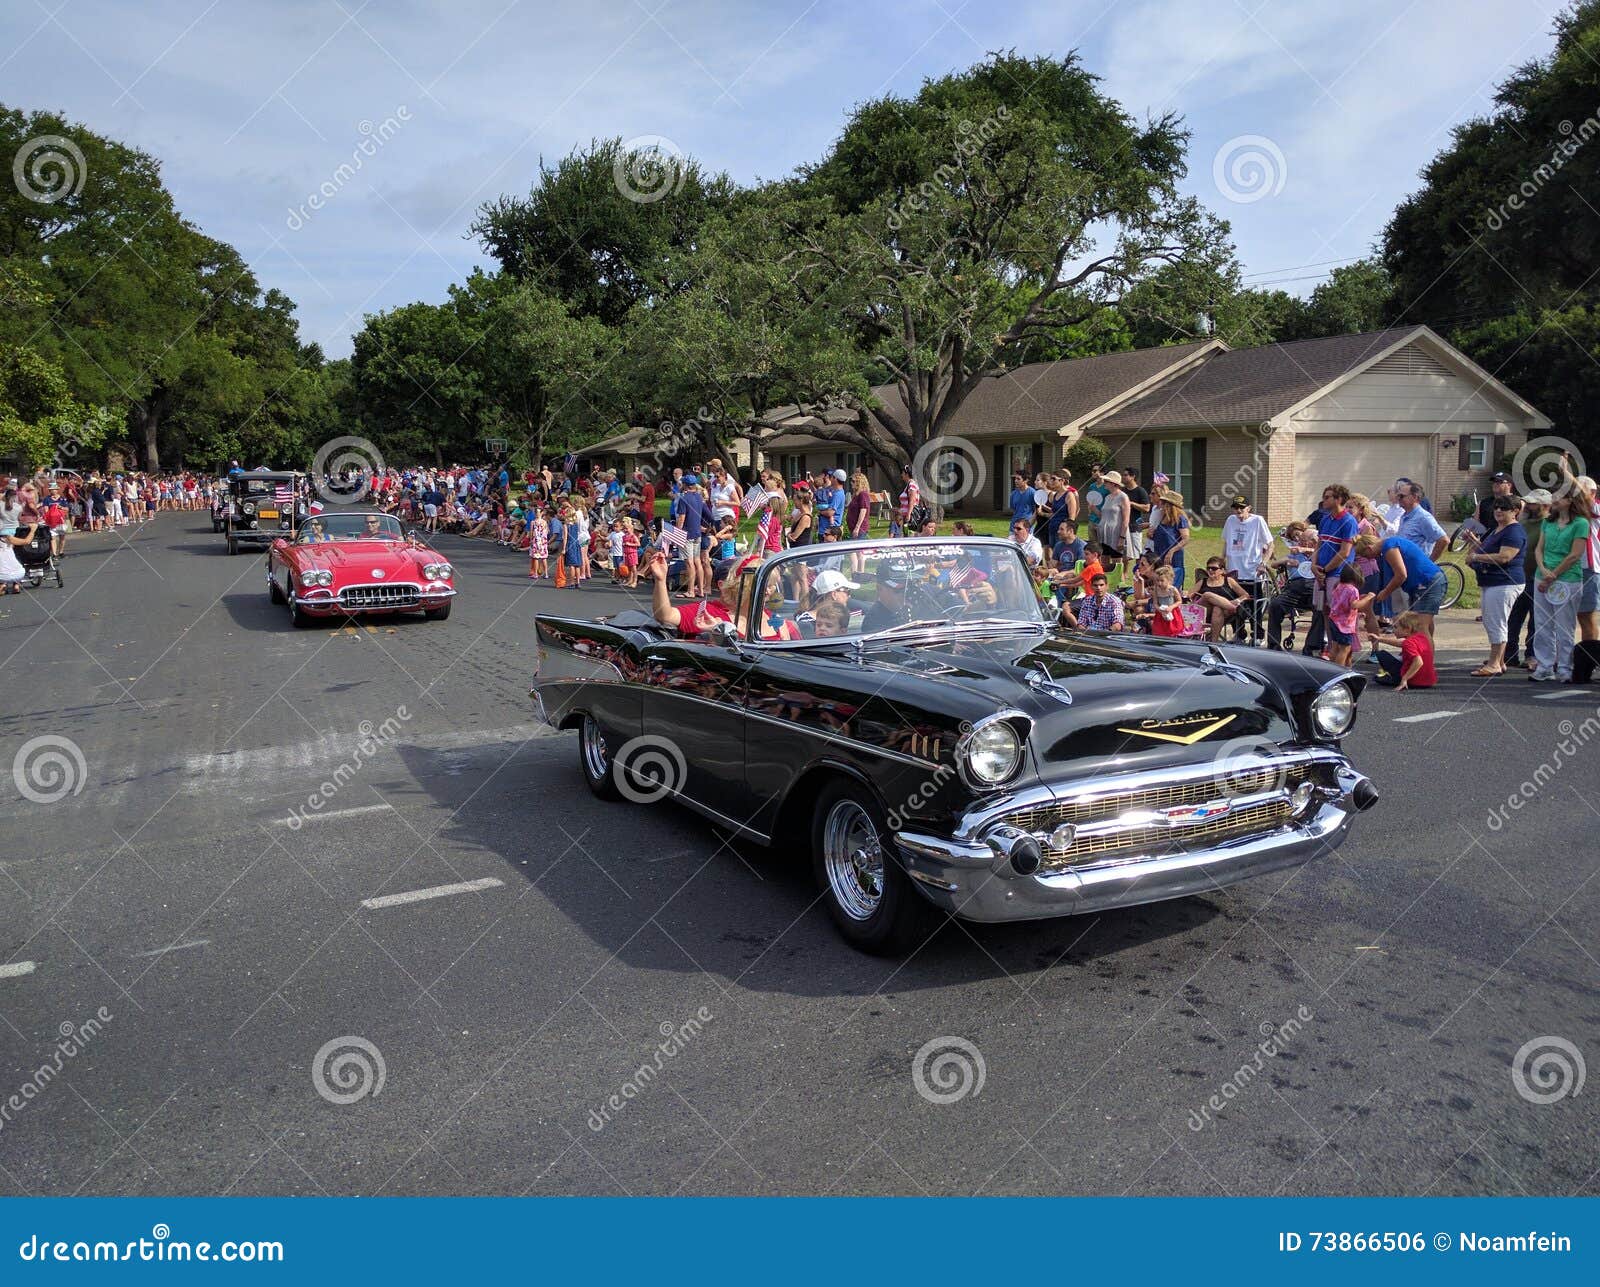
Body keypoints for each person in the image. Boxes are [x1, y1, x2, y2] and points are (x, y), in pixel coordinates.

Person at [1530, 488, 1590, 682]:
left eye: (1560, 497)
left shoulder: (1581, 523)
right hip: (1543, 576)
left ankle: (1564, 667)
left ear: (1571, 500)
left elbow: (1575, 554)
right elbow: (1539, 549)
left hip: (1567, 579)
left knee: (1565, 626)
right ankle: (1544, 665)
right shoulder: (1548, 522)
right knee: (1542, 624)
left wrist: (1553, 575)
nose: (1554, 500)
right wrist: (1543, 570)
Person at [1465, 495, 1526, 677]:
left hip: (1505, 582)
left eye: (1504, 508)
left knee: (1496, 622)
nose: (1498, 510)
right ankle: (1499, 661)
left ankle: (1494, 664)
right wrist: (1473, 542)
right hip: (1491, 582)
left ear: (1515, 511)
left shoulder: (1514, 531)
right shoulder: (1497, 529)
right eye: (1497, 507)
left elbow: (1505, 556)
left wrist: (1476, 557)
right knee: (1492, 621)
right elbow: (1486, 549)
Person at [1355, 531, 1447, 644]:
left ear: (1369, 549)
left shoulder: (1389, 547)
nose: (1369, 559)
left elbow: (1401, 575)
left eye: (1366, 556)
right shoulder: (1389, 545)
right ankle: (1421, 655)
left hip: (1427, 582)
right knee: (1424, 626)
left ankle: (1424, 659)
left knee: (1420, 627)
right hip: (1421, 585)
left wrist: (1385, 592)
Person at [1506, 488, 1548, 667]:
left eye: (1533, 503)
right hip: (1519, 577)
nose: (1529, 506)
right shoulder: (1523, 522)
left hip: (1537, 577)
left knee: (1535, 620)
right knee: (1514, 617)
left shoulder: (1547, 524)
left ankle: (1532, 654)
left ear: (1545, 505)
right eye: (1528, 503)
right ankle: (1509, 654)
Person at [1266, 521, 1317, 651]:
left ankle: (1311, 645)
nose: (1301, 542)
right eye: (1301, 540)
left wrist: (1307, 550)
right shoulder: (1295, 554)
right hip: (1295, 587)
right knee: (1275, 605)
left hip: (1313, 587)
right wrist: (1288, 561)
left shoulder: (1318, 554)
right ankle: (1273, 644)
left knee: (1321, 609)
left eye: (1305, 540)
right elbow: (1274, 564)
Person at [1373, 611, 1436, 690]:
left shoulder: (1408, 643)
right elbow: (1401, 643)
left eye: (1396, 627)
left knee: (1381, 655)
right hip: (1428, 681)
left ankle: (1397, 678)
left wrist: (1405, 679)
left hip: (1414, 681)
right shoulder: (1421, 637)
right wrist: (1379, 639)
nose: (1393, 630)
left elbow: (1418, 662)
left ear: (1407, 630)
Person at [1395, 480, 1447, 560]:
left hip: (1416, 567)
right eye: (1397, 496)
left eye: (1402, 496)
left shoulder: (1423, 517)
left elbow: (1443, 540)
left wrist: (1429, 563)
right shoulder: (1404, 516)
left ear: (1415, 497)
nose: (1398, 499)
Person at [1149, 492, 1191, 589]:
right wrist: (1152, 534)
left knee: (1170, 583)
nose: (1161, 505)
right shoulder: (1162, 518)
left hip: (1173, 557)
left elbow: (1185, 538)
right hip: (1159, 554)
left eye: (1163, 503)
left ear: (1170, 506)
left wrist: (1172, 551)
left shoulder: (1180, 519)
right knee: (1159, 582)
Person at [1324, 564, 1363, 667]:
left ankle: (1332, 668)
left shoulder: (1338, 586)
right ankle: (1338, 671)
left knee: (1335, 646)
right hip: (1345, 625)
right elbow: (1355, 605)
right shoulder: (1353, 590)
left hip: (1334, 620)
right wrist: (1368, 598)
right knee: (1344, 649)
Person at [1095, 471, 1129, 572]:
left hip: (1116, 534)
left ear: (1113, 483)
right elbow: (1104, 515)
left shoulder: (1123, 497)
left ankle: (1118, 584)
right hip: (1104, 534)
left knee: (1116, 563)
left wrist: (1122, 538)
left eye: (1106, 481)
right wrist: (1093, 508)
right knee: (1104, 561)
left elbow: (1126, 519)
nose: (1104, 483)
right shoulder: (1107, 497)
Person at [861, 569, 911, 634]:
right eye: (899, 591)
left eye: (908, 590)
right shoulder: (874, 621)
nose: (905, 595)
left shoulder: (916, 607)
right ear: (879, 589)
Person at [1123, 467, 1150, 562]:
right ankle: (1124, 574)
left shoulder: (1140, 491)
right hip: (1123, 526)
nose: (1123, 477)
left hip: (1135, 526)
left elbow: (1147, 508)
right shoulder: (1122, 491)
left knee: (1137, 554)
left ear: (1133, 476)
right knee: (1124, 553)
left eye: (1126, 475)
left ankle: (1139, 573)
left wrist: (1132, 503)